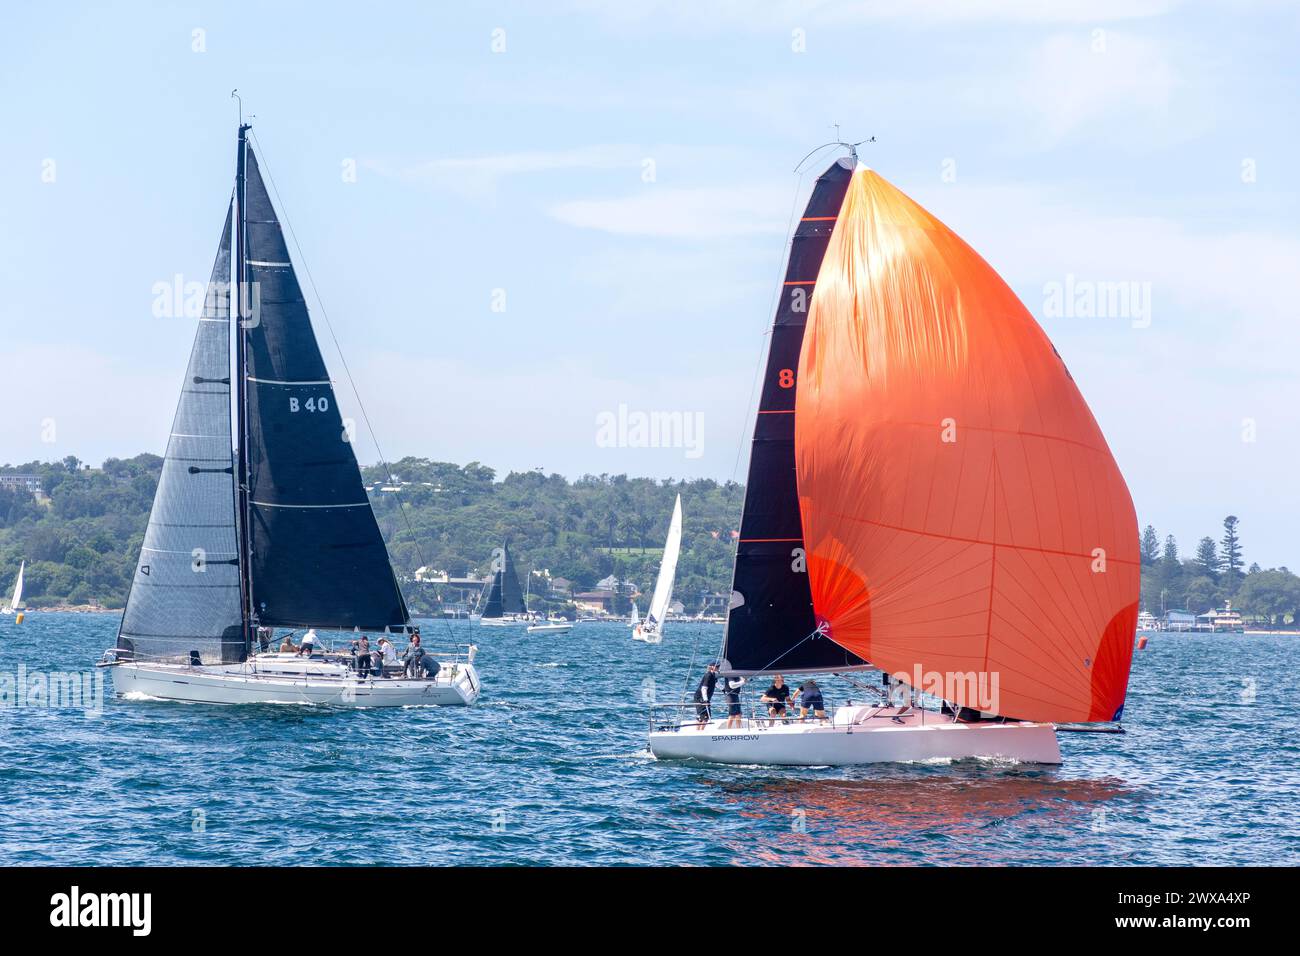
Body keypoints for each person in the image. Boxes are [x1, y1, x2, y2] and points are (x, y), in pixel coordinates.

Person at [693, 662, 719, 729]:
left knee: (705, 716)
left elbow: (716, 683)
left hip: (704, 698)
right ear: (712, 667)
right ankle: (699, 732)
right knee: (703, 716)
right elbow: (704, 688)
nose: (718, 667)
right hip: (700, 698)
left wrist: (724, 689)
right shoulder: (708, 675)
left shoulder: (713, 675)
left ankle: (700, 731)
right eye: (717, 666)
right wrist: (705, 700)